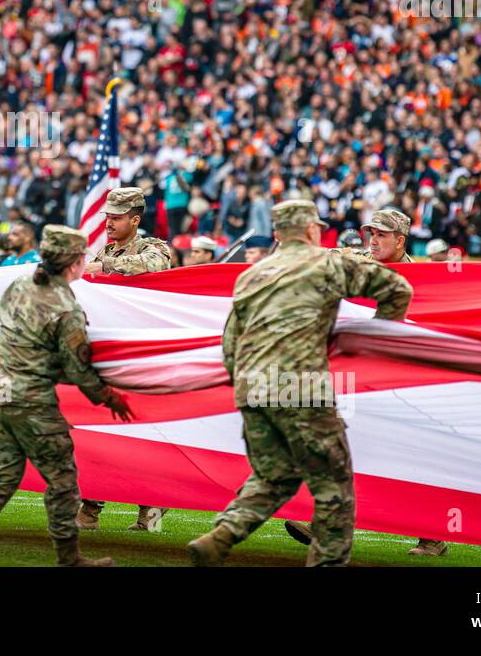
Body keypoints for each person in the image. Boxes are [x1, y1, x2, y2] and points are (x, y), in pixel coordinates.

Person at [187, 199, 413, 567]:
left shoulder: (251, 275)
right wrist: (376, 339)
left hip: (253, 389)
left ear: (276, 234)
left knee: (273, 477)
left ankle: (221, 536)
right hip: (301, 386)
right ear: (312, 231)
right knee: (334, 489)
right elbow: (398, 290)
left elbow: (231, 342)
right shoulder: (327, 264)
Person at [0, 224, 135, 567]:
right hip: (27, 400)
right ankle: (69, 557)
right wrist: (108, 397)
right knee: (62, 478)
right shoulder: (66, 308)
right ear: (74, 262)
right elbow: (78, 368)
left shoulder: (21, 284)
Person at [288, 206, 448, 556]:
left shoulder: (426, 281)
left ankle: (432, 533)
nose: (373, 241)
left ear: (401, 240)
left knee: (412, 454)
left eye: (381, 235)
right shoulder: (360, 261)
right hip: (363, 377)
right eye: (370, 234)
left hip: (408, 380)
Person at [80, 186, 172, 532]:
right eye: (107, 217)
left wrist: (105, 264)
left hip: (142, 355)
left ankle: (150, 509)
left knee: (145, 435)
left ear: (135, 220)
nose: (109, 224)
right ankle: (89, 506)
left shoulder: (151, 247)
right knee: (99, 432)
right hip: (108, 352)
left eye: (117, 218)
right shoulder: (106, 249)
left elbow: (154, 265)